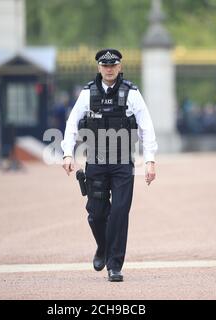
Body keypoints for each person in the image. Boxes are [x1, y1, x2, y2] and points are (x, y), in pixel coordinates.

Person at [61, 49, 158, 282]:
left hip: (123, 162)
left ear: (119, 66)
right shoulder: (87, 93)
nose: (109, 69)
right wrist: (67, 153)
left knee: (119, 212)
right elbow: (72, 122)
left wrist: (150, 160)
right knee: (95, 214)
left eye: (113, 65)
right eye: (105, 65)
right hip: (95, 160)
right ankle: (102, 247)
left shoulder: (132, 93)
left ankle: (115, 265)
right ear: (99, 68)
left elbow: (146, 126)